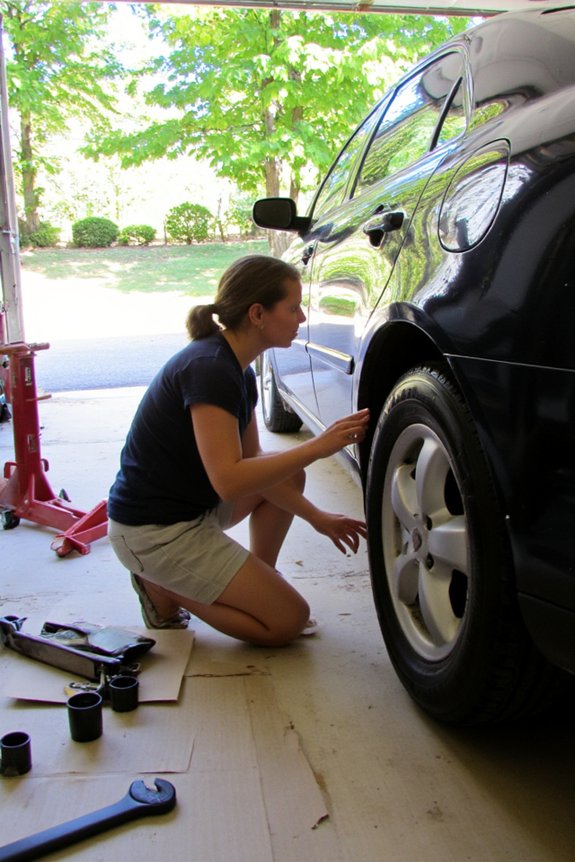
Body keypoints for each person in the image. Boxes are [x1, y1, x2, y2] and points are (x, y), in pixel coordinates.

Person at [108, 254, 370, 647]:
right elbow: (229, 481)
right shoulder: (209, 369)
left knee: (287, 474)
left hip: (192, 509)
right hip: (154, 531)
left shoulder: (237, 368)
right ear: (257, 314)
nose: (301, 319)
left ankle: (256, 579)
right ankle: (161, 586)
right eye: (294, 307)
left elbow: (255, 466)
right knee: (287, 622)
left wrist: (317, 517)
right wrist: (319, 446)